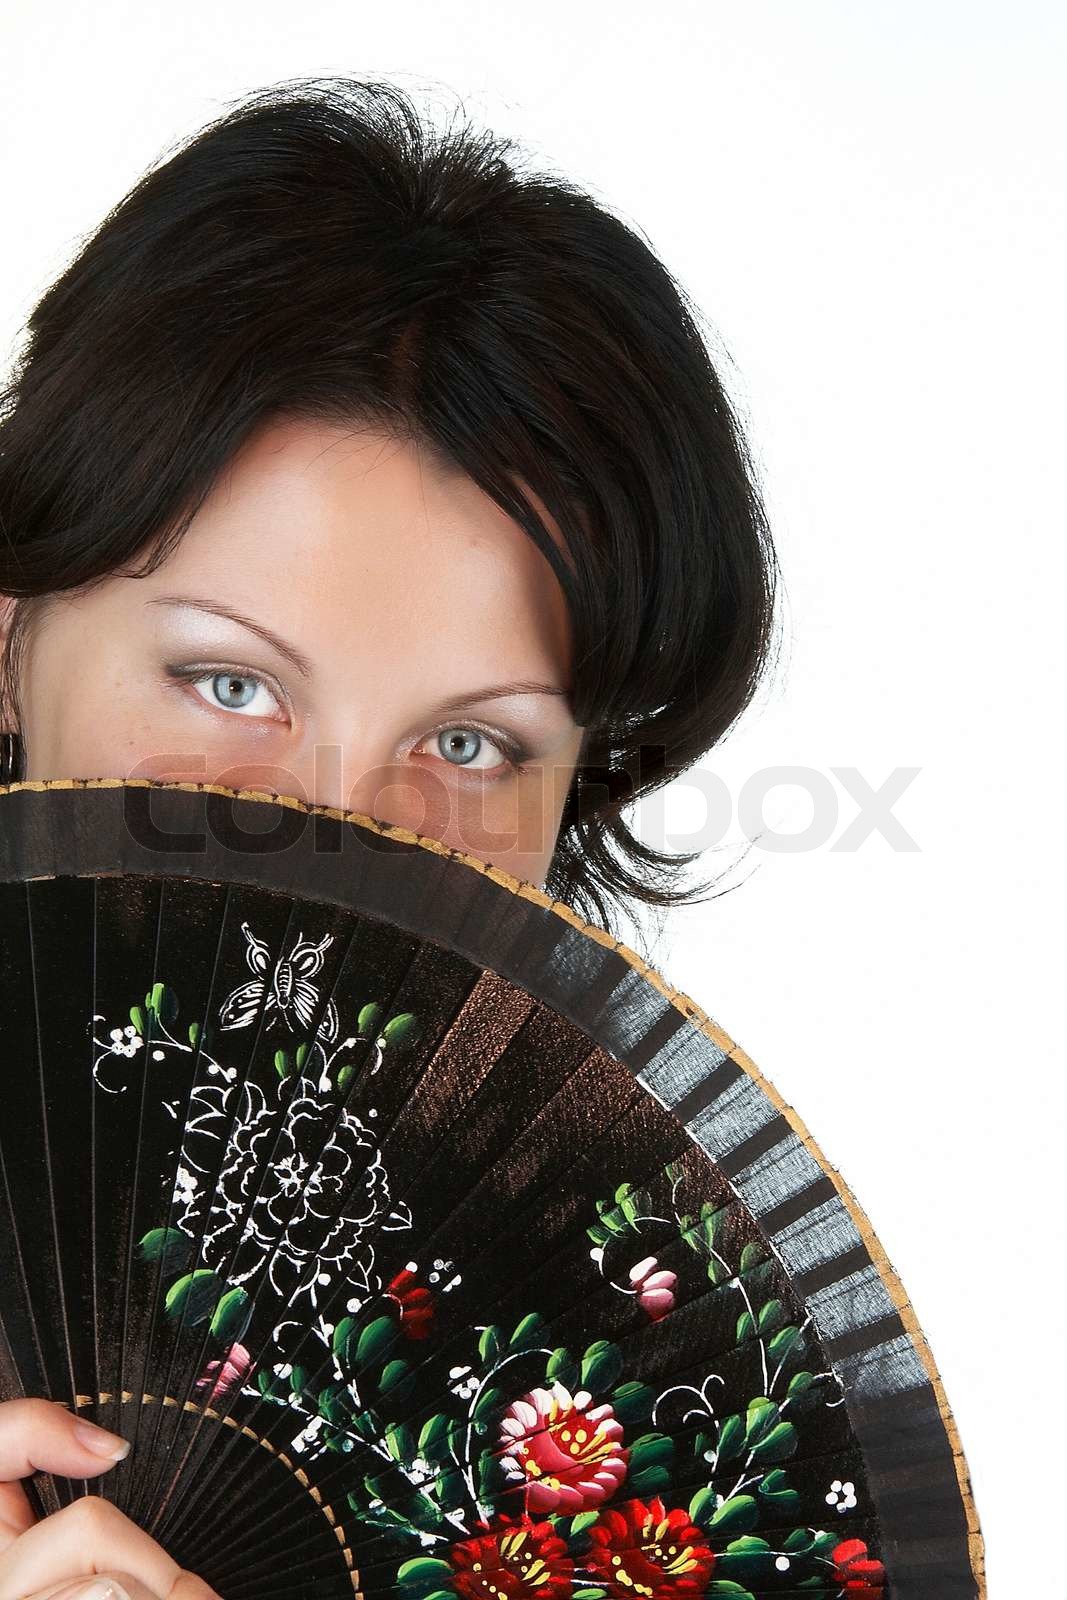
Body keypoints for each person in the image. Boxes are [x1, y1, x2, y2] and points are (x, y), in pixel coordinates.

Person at [0, 77, 779, 1600]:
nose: (337, 831)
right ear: (10, 635)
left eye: (471, 742)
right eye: (230, 682)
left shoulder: (638, 1365)